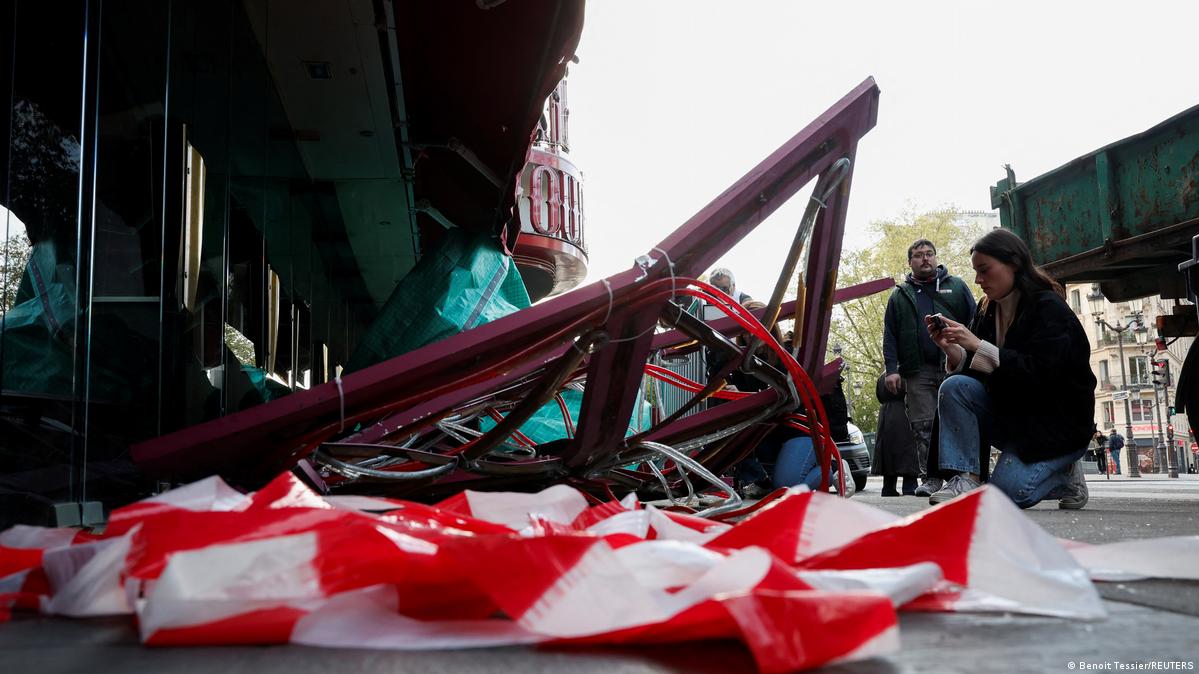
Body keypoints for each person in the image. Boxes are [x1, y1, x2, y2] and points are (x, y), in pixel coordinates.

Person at [923, 229, 1095, 509]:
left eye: (984, 270)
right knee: (954, 386)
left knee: (1008, 494)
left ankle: (1065, 473)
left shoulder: (1049, 308)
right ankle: (966, 478)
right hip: (1018, 420)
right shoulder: (988, 309)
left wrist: (977, 345)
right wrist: (951, 348)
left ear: (1013, 264)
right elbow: (978, 374)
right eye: (976, 272)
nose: (978, 280)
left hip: (1057, 426)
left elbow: (1040, 373)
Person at [882, 239, 976, 497]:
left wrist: (973, 355)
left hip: (955, 365)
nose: (925, 258)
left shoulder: (956, 286)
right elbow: (890, 334)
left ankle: (962, 476)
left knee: (957, 420)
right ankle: (931, 478)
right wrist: (891, 369)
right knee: (923, 425)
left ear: (936, 257)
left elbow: (974, 320)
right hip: (917, 370)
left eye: (929, 253)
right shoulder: (900, 295)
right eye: (918, 255)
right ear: (910, 262)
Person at [871, 372, 920, 496]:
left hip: (885, 416)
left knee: (887, 452)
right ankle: (909, 486)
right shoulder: (906, 374)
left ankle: (888, 487)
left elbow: (879, 396)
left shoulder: (882, 377)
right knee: (908, 451)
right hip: (905, 414)